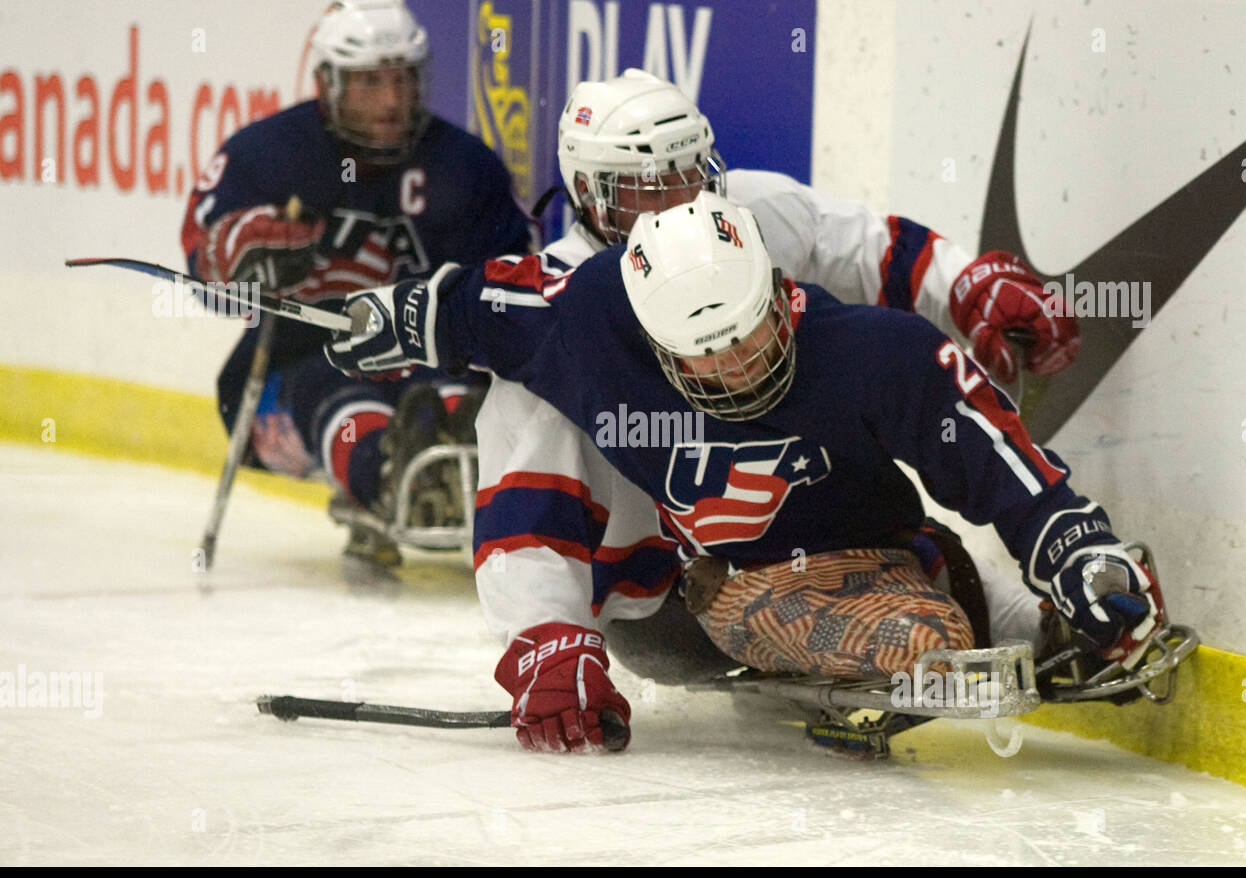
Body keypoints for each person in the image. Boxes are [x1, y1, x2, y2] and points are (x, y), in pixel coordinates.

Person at [322, 192, 1160, 755]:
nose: (736, 362)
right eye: (705, 349)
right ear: (651, 336)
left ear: (774, 287)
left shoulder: (881, 352)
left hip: (883, 553)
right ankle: (561, 640)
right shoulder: (588, 320)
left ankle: (1019, 614)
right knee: (526, 398)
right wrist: (402, 311)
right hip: (699, 588)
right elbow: (475, 307)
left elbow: (1008, 470)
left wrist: (1082, 554)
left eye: (750, 330)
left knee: (934, 607)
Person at [469, 71, 1077, 691]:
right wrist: (544, 638)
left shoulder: (746, 216)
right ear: (590, 197)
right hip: (661, 595)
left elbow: (864, 247)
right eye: (645, 189)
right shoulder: (562, 309)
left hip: (794, 532)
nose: (679, 200)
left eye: (689, 170)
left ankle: (1001, 610)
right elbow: (524, 487)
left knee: (863, 466)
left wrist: (966, 287)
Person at [180, 0, 532, 564]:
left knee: (457, 384)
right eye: (370, 83)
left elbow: (518, 288)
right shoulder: (269, 155)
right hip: (297, 367)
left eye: (402, 81)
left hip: (428, 358)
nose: (392, 102)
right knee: (330, 386)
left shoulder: (463, 166)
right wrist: (237, 252)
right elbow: (205, 269)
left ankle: (463, 464)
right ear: (329, 83)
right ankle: (388, 474)